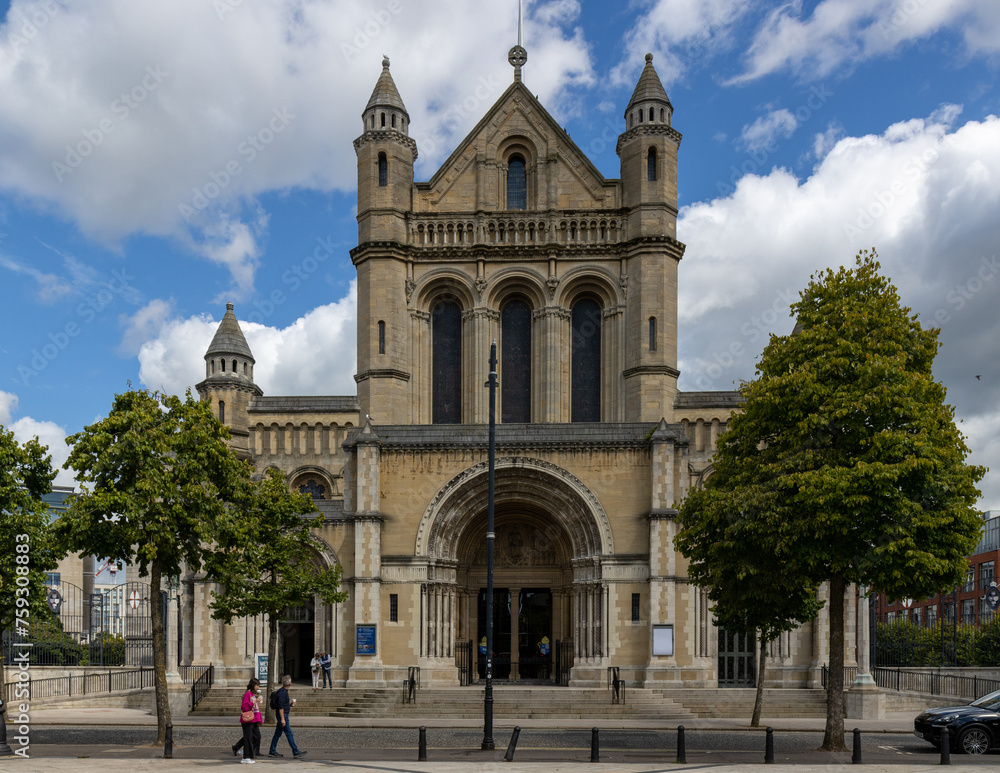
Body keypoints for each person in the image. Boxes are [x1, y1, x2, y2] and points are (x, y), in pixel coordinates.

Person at [268, 674, 306, 758]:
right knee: (289, 733)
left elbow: (283, 705)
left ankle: (272, 751)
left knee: (277, 734)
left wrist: (290, 705)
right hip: (283, 715)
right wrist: (282, 719)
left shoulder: (283, 691)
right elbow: (280, 707)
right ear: (289, 683)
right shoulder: (282, 693)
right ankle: (295, 751)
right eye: (291, 681)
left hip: (283, 715)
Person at [233, 677, 261, 764]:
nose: (258, 688)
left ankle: (247, 753)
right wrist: (255, 701)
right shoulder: (247, 694)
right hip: (248, 720)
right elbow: (244, 707)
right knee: (248, 738)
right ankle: (246, 757)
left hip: (253, 720)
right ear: (253, 685)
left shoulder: (252, 694)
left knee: (257, 736)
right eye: (257, 685)